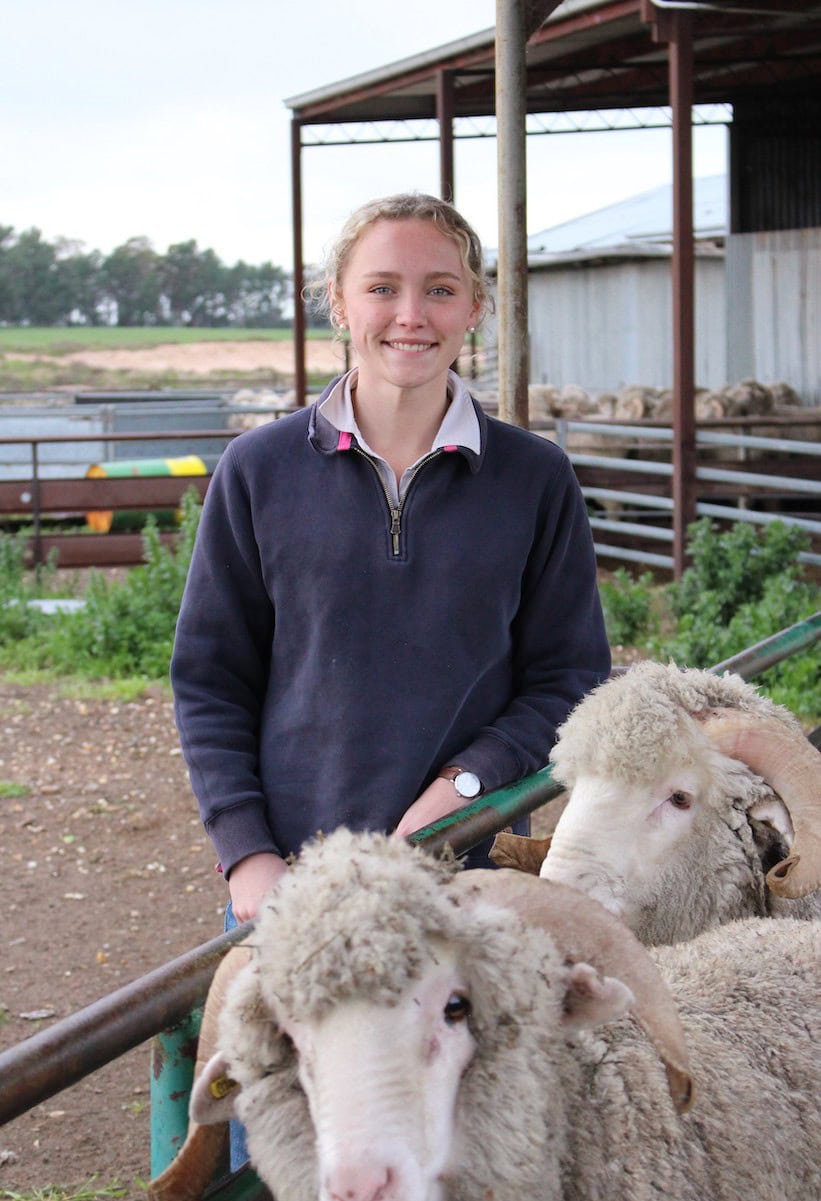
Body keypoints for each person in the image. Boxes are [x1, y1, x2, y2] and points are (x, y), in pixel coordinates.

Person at [170, 192, 611, 930]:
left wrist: (465, 786)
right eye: (381, 288)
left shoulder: (533, 477)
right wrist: (246, 852)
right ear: (338, 304)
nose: (411, 315)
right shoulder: (257, 471)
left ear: (474, 307)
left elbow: (566, 675)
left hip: (471, 873)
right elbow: (211, 678)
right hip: (296, 880)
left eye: (439, 289)